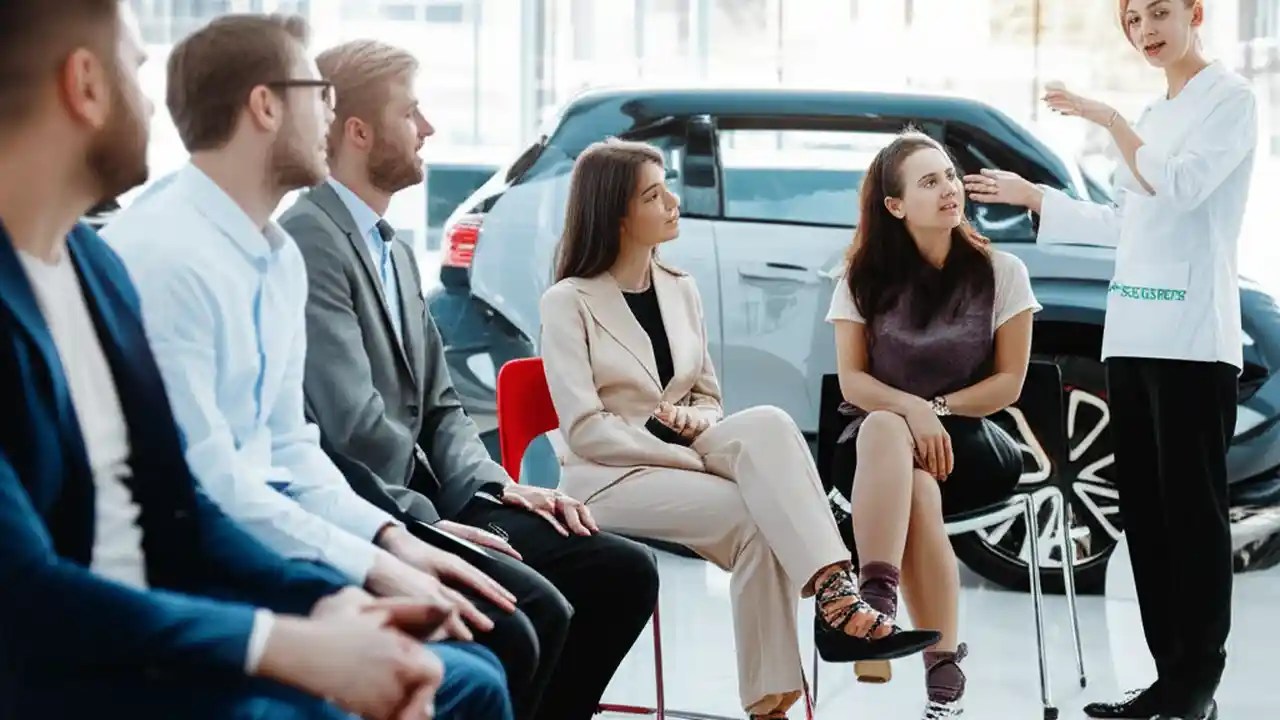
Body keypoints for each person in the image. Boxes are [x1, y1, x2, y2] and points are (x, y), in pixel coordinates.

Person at [0, 3, 510, 719]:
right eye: (135, 72)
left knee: (472, 676)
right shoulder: (150, 258)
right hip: (92, 669)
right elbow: (25, 598)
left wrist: (330, 600)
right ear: (85, 84)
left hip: (171, 617)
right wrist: (285, 643)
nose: (153, 103)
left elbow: (180, 500)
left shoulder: (92, 268)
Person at [279, 40, 661, 720]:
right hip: (386, 507)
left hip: (445, 494)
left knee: (624, 570)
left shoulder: (394, 249)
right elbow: (352, 425)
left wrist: (495, 488)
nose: (427, 128)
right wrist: (443, 524)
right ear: (358, 131)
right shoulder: (310, 240)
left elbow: (441, 403)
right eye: (411, 112)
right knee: (536, 607)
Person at [537, 138, 942, 720]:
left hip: (690, 449)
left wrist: (695, 422)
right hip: (609, 476)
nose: (673, 202)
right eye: (653, 196)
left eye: (667, 188)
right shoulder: (568, 302)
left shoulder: (680, 287)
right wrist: (689, 456)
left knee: (770, 425)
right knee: (762, 518)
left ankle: (831, 600)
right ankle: (792, 679)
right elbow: (585, 430)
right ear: (616, 216)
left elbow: (708, 398)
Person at [964, 2, 1256, 718]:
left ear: (1195, 13)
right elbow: (1131, 222)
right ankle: (1167, 680)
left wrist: (1108, 120)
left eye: (1159, 13)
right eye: (1132, 19)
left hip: (1191, 340)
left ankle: (1197, 686)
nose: (1145, 30)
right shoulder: (1154, 116)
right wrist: (1038, 198)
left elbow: (1180, 187)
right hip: (1131, 336)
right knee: (1146, 519)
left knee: (1192, 518)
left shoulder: (1231, 100)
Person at [824, 131, 1040, 718]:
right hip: (876, 455)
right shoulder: (860, 279)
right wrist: (912, 411)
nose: (949, 190)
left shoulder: (1003, 271)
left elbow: (1008, 384)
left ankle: (872, 606)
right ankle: (940, 663)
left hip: (968, 444)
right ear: (895, 206)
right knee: (894, 446)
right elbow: (853, 383)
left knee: (899, 445)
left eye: (948, 175)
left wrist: (935, 410)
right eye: (929, 182)